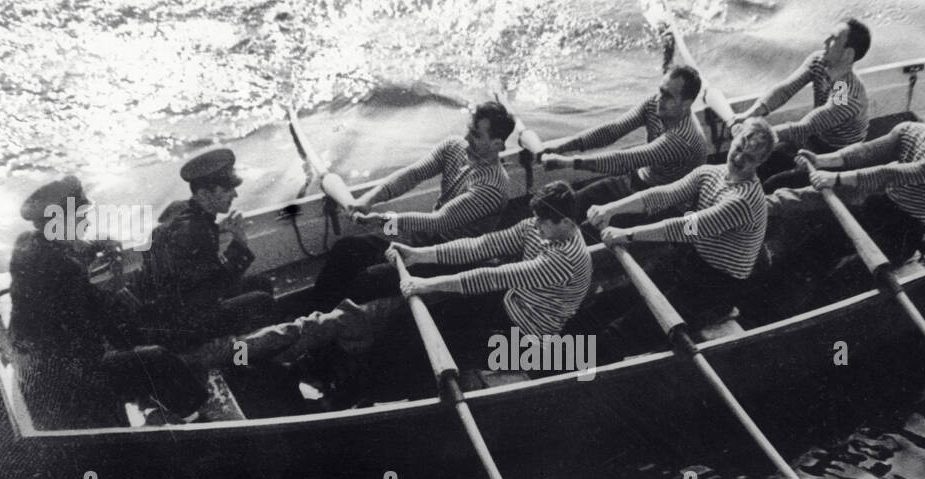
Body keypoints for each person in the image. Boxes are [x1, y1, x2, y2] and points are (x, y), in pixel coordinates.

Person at [8, 177, 208, 428]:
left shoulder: (30, 247)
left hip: (36, 369)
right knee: (158, 360)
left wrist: (95, 245)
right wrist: (136, 333)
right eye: (81, 216)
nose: (87, 220)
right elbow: (100, 324)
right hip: (69, 381)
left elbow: (71, 256)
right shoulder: (63, 270)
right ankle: (200, 421)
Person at [589, 117, 776, 356]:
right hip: (691, 261)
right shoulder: (711, 173)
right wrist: (611, 209)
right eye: (739, 148)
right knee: (610, 302)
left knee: (624, 331)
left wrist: (628, 234)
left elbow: (687, 227)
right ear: (734, 140)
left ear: (761, 161)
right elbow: (664, 194)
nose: (739, 159)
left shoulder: (742, 201)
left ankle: (560, 371)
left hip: (715, 287)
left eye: (749, 157)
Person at [312, 101, 515, 308]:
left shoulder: (493, 188)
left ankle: (329, 328)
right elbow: (413, 174)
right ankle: (313, 315)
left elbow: (438, 222)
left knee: (367, 280)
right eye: (469, 131)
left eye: (476, 135)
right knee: (346, 249)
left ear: (497, 144)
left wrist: (382, 221)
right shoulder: (454, 147)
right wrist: (367, 200)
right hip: (424, 237)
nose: (466, 139)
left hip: (451, 258)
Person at [765, 81, 925, 267]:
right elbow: (866, 151)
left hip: (904, 231)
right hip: (880, 207)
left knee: (847, 275)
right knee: (819, 243)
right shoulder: (910, 129)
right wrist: (820, 160)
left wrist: (835, 178)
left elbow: (889, 174)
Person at [389, 182, 593, 364]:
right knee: (429, 320)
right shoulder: (536, 226)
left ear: (566, 223)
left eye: (543, 221)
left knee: (446, 346)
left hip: (529, 340)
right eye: (536, 218)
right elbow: (481, 246)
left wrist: (425, 285)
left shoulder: (565, 260)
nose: (535, 224)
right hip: (509, 304)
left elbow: (495, 277)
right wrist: (417, 255)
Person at [139, 148, 274, 350]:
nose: (235, 194)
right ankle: (242, 361)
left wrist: (218, 229)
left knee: (261, 283)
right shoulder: (196, 232)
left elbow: (184, 249)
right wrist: (239, 245)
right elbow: (218, 288)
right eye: (227, 189)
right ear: (203, 194)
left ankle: (245, 356)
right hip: (189, 323)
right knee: (262, 301)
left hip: (170, 312)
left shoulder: (180, 209)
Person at [537, 66, 709, 217]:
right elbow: (612, 131)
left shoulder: (682, 139)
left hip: (669, 205)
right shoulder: (655, 103)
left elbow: (624, 160)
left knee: (590, 226)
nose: (659, 99)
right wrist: (562, 146)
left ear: (687, 104)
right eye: (661, 91)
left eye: (668, 96)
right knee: (572, 205)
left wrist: (566, 163)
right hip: (637, 181)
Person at [730, 18, 871, 186]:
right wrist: (750, 114)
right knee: (761, 166)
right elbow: (786, 89)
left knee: (773, 184)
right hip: (812, 141)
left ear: (848, 54)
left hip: (836, 158)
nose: (825, 41)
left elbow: (805, 127)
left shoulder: (845, 92)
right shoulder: (819, 61)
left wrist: (754, 135)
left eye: (833, 39)